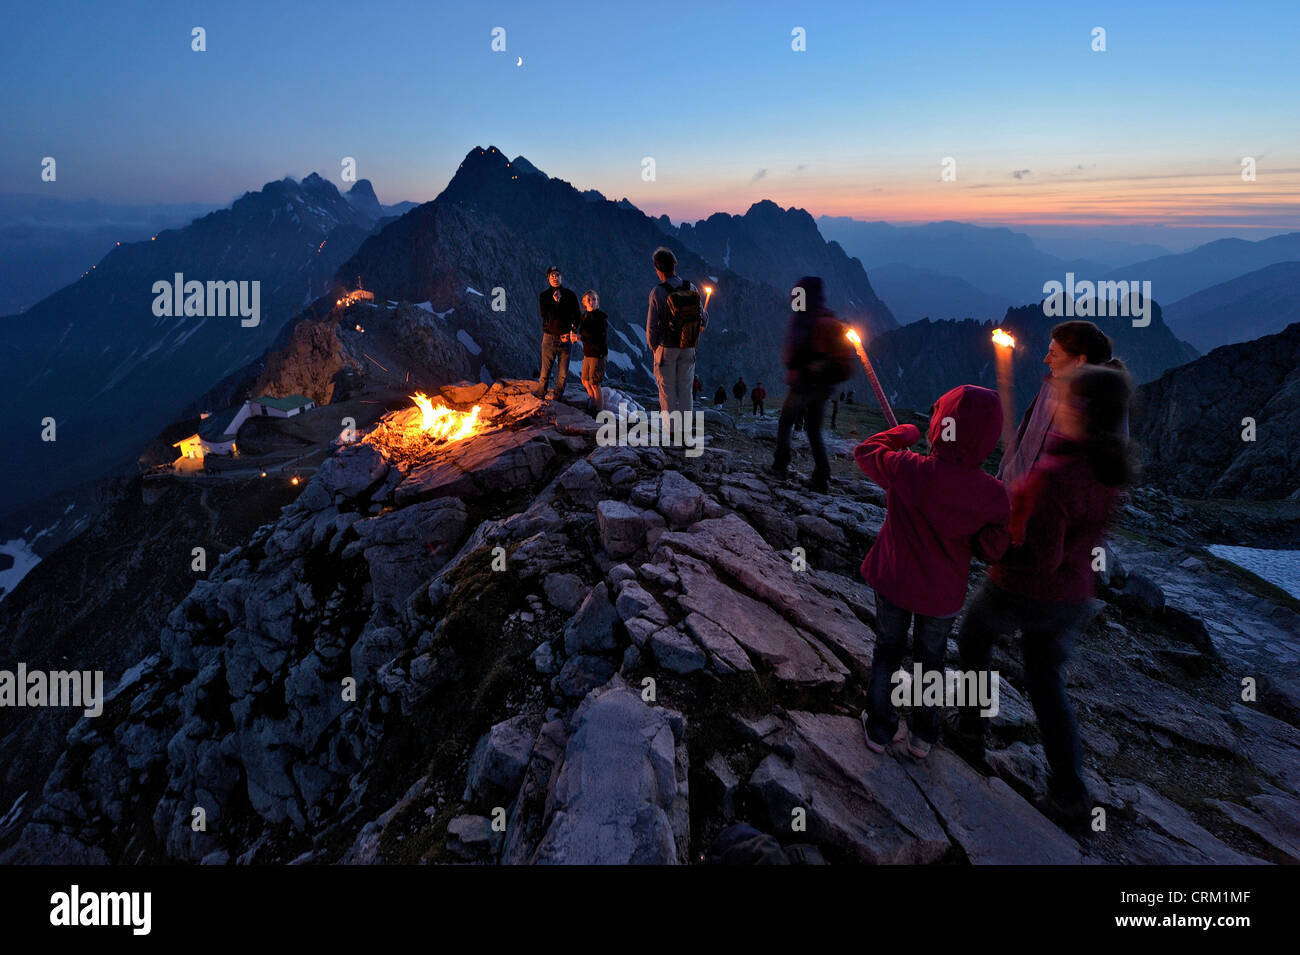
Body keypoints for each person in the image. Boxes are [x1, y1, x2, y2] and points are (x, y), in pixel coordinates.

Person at [956, 365, 1136, 826]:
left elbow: (1039, 557)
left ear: (1084, 409)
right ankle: (1069, 793)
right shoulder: (1108, 467)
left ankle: (972, 731)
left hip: (1026, 589)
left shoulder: (1058, 475)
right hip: (1073, 596)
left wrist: (989, 547)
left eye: (1068, 400)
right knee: (1045, 682)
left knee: (974, 635)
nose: (1060, 406)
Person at [854, 385, 1011, 759]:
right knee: (931, 660)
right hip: (942, 596)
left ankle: (879, 727)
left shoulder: (907, 469)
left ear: (940, 425)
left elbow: (865, 452)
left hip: (895, 582)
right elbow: (992, 549)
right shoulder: (992, 494)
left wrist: (904, 433)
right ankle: (922, 735)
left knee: (888, 650)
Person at [999, 320, 1128, 487]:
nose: (1046, 360)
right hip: (1016, 491)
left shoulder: (1105, 401)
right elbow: (1024, 430)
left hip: (1050, 503)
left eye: (1053, 354)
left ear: (1079, 361)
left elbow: (1106, 466)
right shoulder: (1051, 384)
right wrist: (1002, 476)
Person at [770, 277, 850, 492]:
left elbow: (794, 354)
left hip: (804, 383)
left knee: (785, 422)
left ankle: (780, 467)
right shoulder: (826, 317)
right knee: (814, 430)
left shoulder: (804, 319)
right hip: (824, 387)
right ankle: (821, 477)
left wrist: (799, 367)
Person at [537, 266, 580, 400]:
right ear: (548, 278)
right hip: (549, 338)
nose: (555, 278)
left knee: (563, 374)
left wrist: (573, 331)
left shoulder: (570, 295)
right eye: (552, 276)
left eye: (557, 275)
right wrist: (556, 303)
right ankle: (540, 395)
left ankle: (558, 397)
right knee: (545, 372)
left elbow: (577, 315)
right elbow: (546, 317)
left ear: (561, 277)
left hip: (565, 338)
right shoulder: (544, 296)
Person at [577, 290, 608, 416]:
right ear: (584, 304)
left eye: (594, 299)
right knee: (585, 381)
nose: (591, 301)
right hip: (588, 353)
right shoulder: (584, 317)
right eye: (588, 299)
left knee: (595, 384)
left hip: (598, 354)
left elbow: (597, 338)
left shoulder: (601, 318)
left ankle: (599, 412)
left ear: (597, 302)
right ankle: (594, 405)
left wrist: (580, 338)